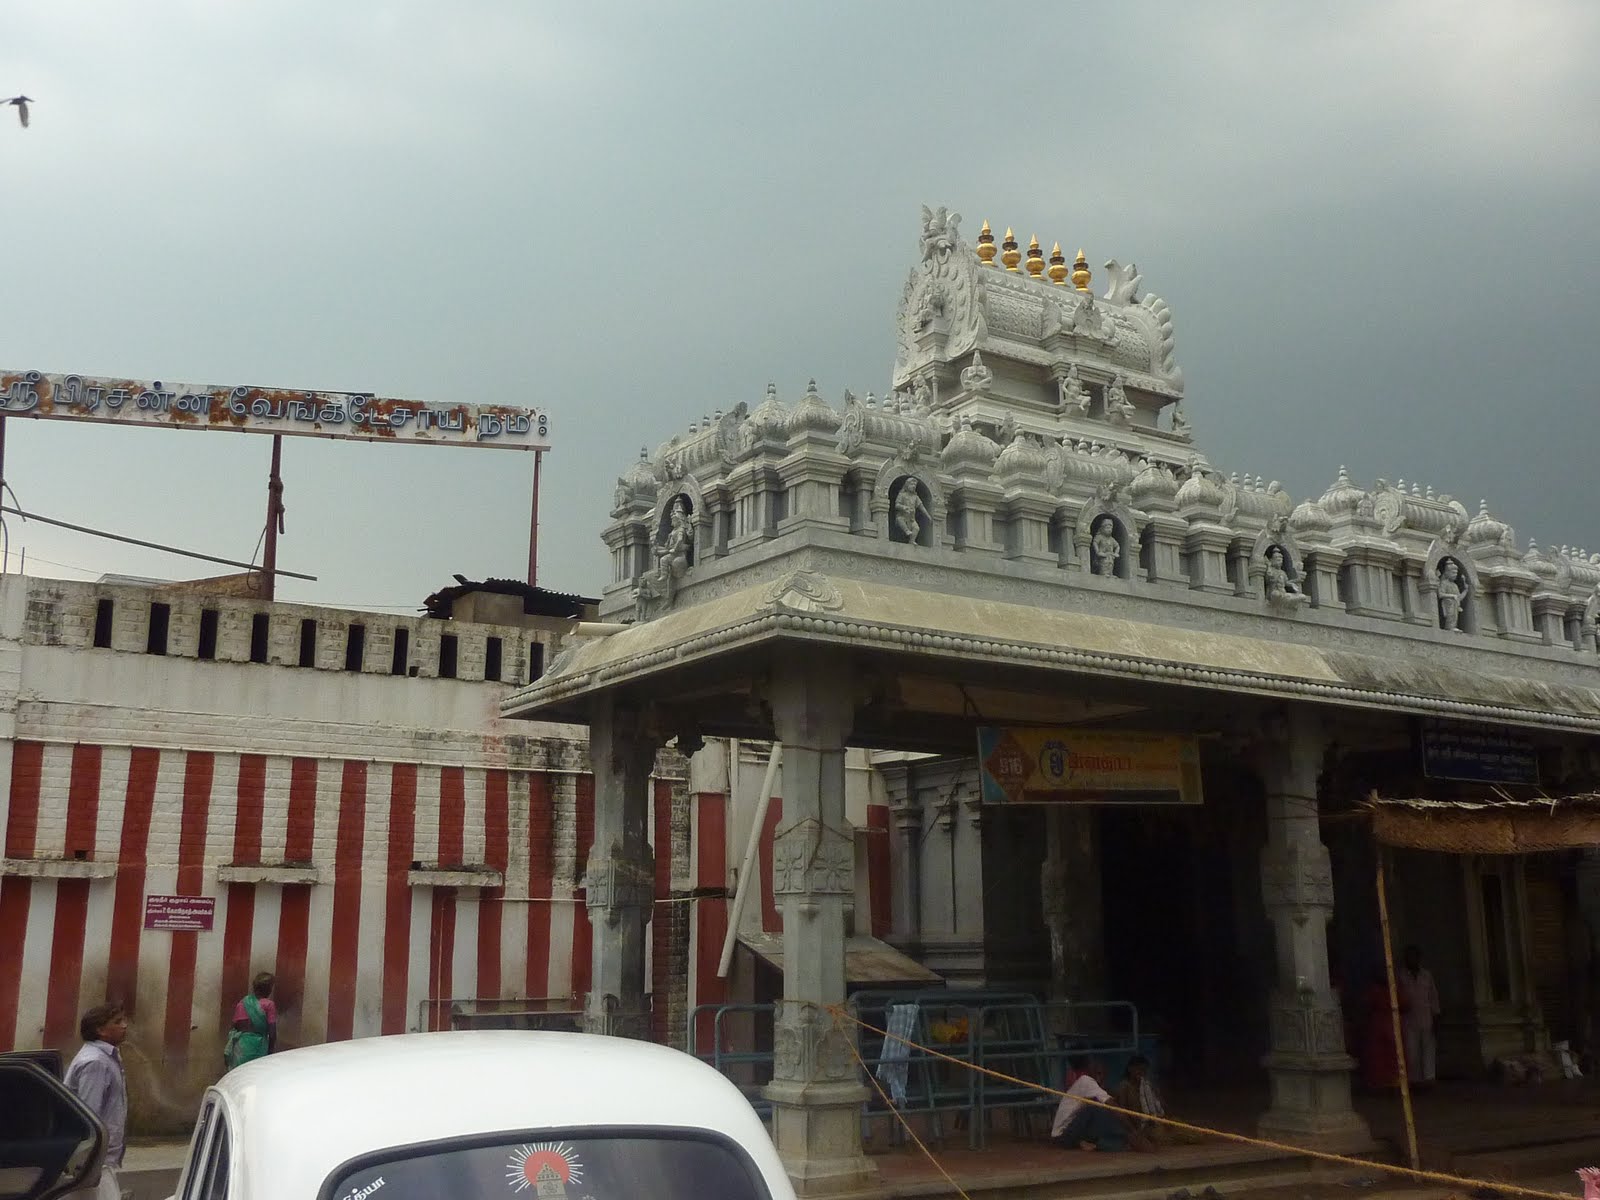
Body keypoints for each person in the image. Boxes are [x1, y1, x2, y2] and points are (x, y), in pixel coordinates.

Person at [63, 1003, 128, 1199]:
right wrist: (91, 1158)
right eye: (117, 1022)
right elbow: (89, 1114)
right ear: (100, 1030)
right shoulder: (96, 1062)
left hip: (99, 1157)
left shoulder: (105, 1057)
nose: (124, 1026)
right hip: (95, 1158)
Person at [1049, 1056, 1132, 1151]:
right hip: (1063, 1136)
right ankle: (1107, 1142)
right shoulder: (1086, 1081)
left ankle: (1101, 1143)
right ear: (1090, 1071)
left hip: (1070, 1133)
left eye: (1102, 1074)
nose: (1100, 1078)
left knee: (1102, 1112)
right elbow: (1112, 1105)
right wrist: (1131, 1129)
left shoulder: (1096, 1087)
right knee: (1096, 1110)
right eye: (1097, 1073)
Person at [1397, 945, 1441, 1087]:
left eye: (1414, 956)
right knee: (1411, 1052)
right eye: (1409, 956)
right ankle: (1414, 1081)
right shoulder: (1400, 976)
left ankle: (1429, 1079)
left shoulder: (1426, 975)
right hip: (1408, 1020)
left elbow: (1433, 997)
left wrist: (1436, 1016)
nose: (1412, 959)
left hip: (1426, 1018)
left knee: (1428, 1050)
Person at [1359, 968, 1406, 1092]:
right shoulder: (1374, 990)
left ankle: (1394, 1083)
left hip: (1391, 1024)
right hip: (1378, 1025)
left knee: (1393, 1055)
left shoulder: (1394, 989)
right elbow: (1366, 1005)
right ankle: (1379, 1083)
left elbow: (1406, 1004)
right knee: (1377, 1056)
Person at [225, 972, 278, 1070]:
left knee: (239, 1074)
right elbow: (272, 1032)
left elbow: (234, 1026)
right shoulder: (269, 1005)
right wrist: (271, 1051)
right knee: (255, 1074)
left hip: (241, 1046)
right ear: (268, 989)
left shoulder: (243, 1002)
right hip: (259, 1046)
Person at [1111, 1055, 1165, 1148]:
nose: (1141, 1073)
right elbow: (1122, 1112)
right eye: (1139, 1069)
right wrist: (1134, 1130)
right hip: (1130, 1126)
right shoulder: (1124, 1087)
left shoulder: (1147, 1086)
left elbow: (1159, 1105)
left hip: (1146, 1124)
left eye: (1144, 1071)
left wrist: (1156, 1093)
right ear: (1130, 1069)